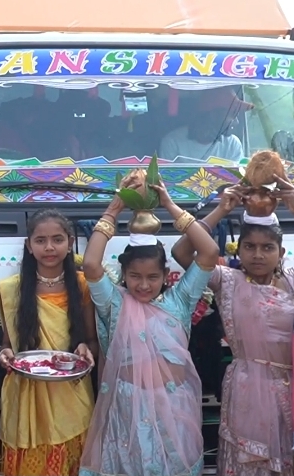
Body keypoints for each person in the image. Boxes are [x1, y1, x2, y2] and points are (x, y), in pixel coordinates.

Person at [79, 175, 219, 476]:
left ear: (165, 275)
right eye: (135, 277)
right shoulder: (114, 303)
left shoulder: (179, 302)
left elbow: (208, 253)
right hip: (128, 412)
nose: (143, 285)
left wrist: (170, 205)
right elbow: (91, 265)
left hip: (175, 410)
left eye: (152, 278)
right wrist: (113, 210)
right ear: (124, 274)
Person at [173, 174, 294, 476]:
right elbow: (181, 252)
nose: (258, 255)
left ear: (281, 252)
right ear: (238, 249)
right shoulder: (226, 280)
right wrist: (222, 209)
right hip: (246, 388)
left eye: (267, 247)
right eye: (250, 246)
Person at [0, 209, 97, 476]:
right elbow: (8, 344)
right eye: (40, 241)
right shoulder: (12, 289)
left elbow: (92, 341)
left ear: (70, 242)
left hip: (71, 396)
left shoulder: (82, 285)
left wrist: (86, 349)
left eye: (57, 239)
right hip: (27, 398)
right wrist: (5, 354)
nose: (49, 247)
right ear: (29, 246)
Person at [159, 87, 252, 162]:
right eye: (232, 115)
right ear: (213, 115)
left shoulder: (232, 144)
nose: (236, 122)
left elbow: (237, 182)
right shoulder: (172, 142)